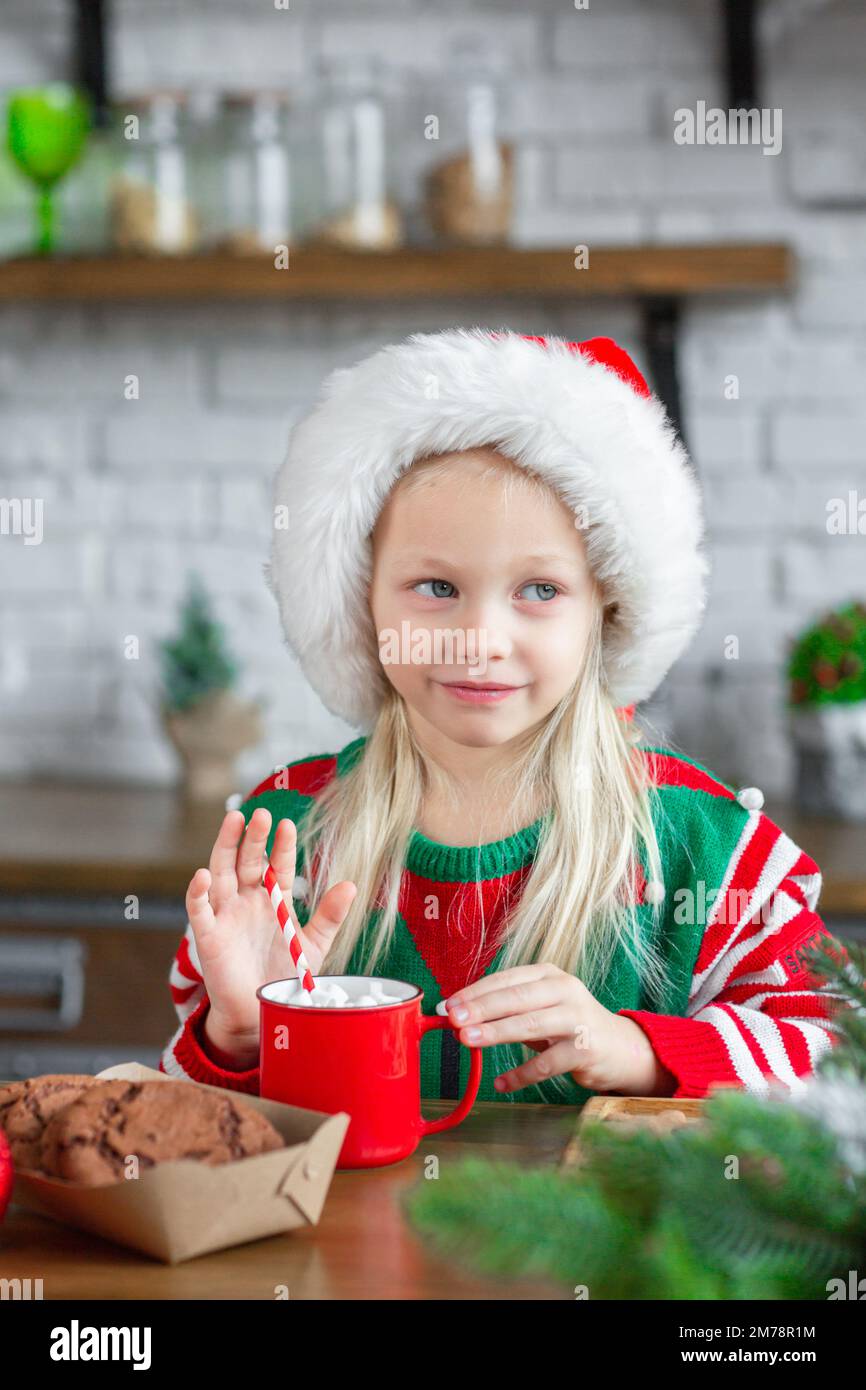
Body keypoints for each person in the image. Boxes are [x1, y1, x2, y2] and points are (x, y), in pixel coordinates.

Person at [160, 328, 843, 1106]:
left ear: (604, 611)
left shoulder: (706, 847)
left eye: (540, 591)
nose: (481, 641)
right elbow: (182, 1119)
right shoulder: (280, 842)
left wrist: (641, 1049)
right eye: (436, 588)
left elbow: (833, 1057)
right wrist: (243, 1036)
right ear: (362, 601)